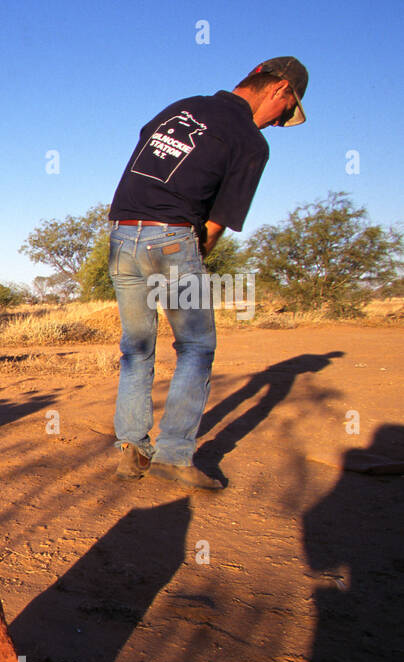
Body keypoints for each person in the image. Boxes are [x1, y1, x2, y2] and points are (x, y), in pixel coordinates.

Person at [107, 57, 308, 489]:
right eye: (285, 113)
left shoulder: (180, 107)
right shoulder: (251, 142)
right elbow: (216, 223)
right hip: (173, 239)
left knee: (136, 347)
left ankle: (132, 448)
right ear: (280, 91)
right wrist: (195, 256)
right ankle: (174, 456)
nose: (277, 123)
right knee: (196, 346)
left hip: (122, 236)